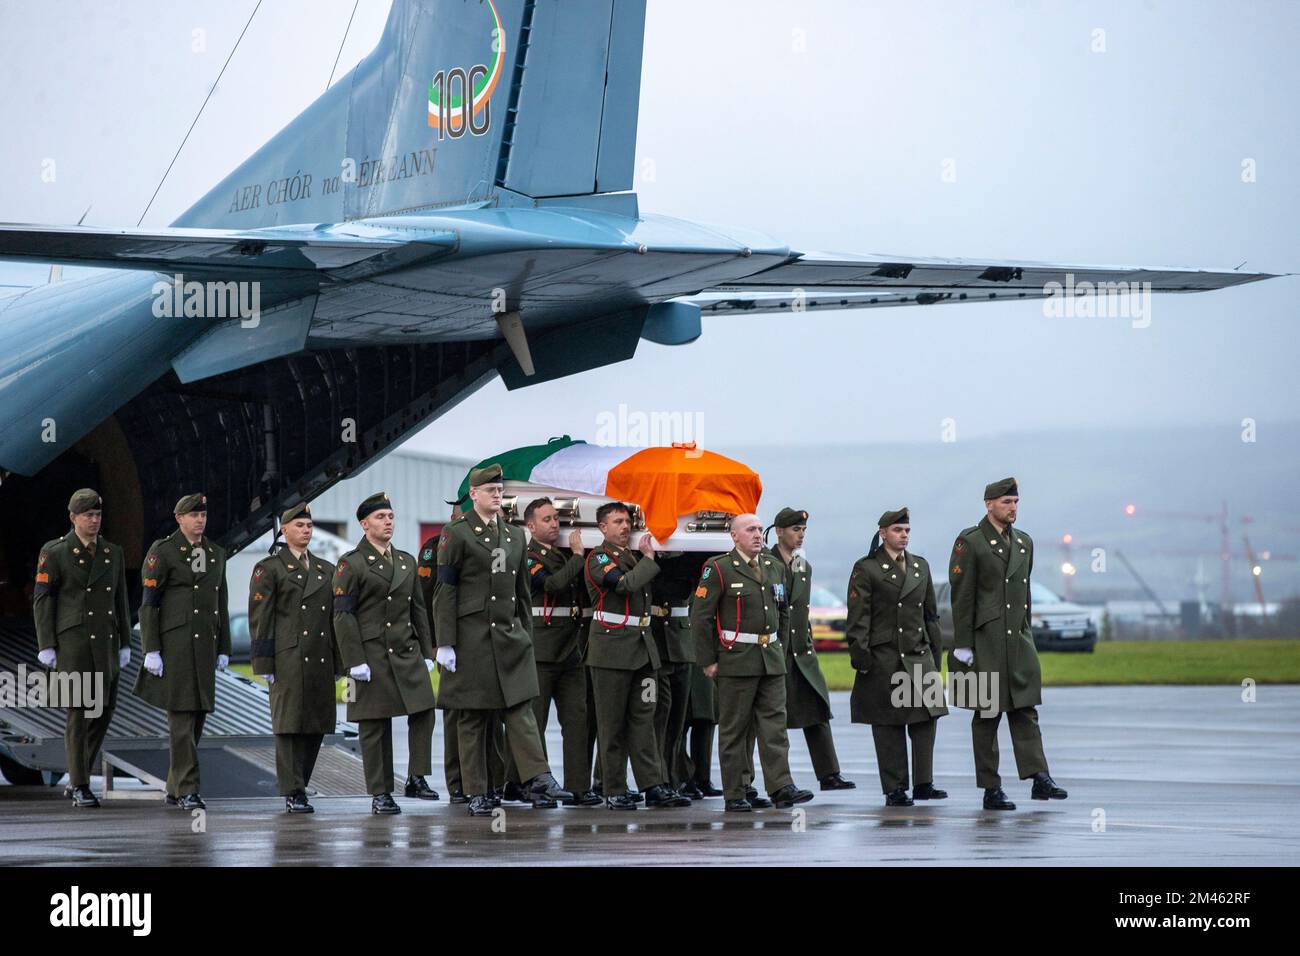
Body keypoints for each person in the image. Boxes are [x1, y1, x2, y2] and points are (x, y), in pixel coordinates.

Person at [432, 465, 572, 817]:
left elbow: (522, 592)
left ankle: (538, 775)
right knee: (474, 719)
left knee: (519, 708)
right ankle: (477, 791)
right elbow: (445, 590)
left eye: (499, 490)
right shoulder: (456, 534)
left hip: (510, 638)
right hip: (472, 638)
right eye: (490, 490)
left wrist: (525, 632)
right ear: (474, 495)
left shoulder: (512, 536)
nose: (497, 494)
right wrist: (444, 642)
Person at [948, 478, 1068, 810]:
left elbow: (1023, 597)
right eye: (1005, 502)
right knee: (987, 714)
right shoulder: (970, 542)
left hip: (1018, 640)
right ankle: (991, 788)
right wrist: (963, 643)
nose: (1012, 508)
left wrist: (1026, 633)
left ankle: (1039, 777)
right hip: (985, 641)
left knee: (1025, 709)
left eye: (1015, 502)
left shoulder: (1025, 543)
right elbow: (962, 596)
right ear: (989, 504)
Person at [691, 513, 813, 812]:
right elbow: (701, 617)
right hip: (735, 660)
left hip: (769, 659)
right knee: (735, 730)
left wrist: (780, 649)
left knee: (774, 728)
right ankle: (736, 791)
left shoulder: (773, 567)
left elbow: (782, 612)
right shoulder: (718, 568)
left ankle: (781, 786)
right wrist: (708, 660)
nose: (758, 534)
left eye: (760, 529)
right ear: (734, 536)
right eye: (750, 530)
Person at [332, 492, 437, 814]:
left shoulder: (405, 560)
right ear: (364, 525)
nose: (388, 522)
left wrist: (428, 647)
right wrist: (354, 661)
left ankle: (416, 776)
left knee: (424, 710)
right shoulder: (351, 563)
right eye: (380, 517)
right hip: (371, 654)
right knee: (374, 725)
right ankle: (380, 792)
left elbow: (418, 607)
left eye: (390, 516)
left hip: (405, 650)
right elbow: (342, 614)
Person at [583, 501, 690, 810]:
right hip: (611, 653)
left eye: (627, 520)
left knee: (644, 720)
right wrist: (649, 558)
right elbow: (625, 585)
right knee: (612, 724)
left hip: (643, 651)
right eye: (617, 521)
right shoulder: (598, 558)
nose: (625, 526)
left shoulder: (633, 556)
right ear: (603, 527)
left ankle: (652, 784)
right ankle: (613, 788)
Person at [32, 488, 131, 809]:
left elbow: (121, 601)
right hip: (73, 643)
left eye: (98, 515)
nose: (94, 520)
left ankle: (79, 775)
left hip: (105, 642)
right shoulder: (56, 552)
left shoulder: (112, 552)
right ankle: (80, 783)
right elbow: (43, 599)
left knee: (104, 710)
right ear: (73, 517)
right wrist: (46, 643)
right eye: (88, 515)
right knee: (78, 713)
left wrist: (126, 641)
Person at [133, 493, 230, 810]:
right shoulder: (163, 552)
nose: (200, 519)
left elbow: (221, 605)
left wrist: (223, 647)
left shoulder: (215, 553)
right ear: (179, 519)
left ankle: (175, 788)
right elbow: (149, 604)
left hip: (204, 649)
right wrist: (151, 649)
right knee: (182, 722)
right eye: (193, 515)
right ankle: (189, 790)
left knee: (198, 718)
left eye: (203, 514)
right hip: (175, 648)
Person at [845, 508, 948, 805]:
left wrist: (934, 654)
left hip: (919, 655)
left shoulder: (920, 566)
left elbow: (930, 615)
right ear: (883, 533)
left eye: (906, 531)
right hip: (885, 657)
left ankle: (923, 783)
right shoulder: (867, 568)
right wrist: (862, 658)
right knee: (888, 724)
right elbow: (858, 617)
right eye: (897, 531)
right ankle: (895, 788)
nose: (903, 536)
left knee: (926, 719)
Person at [248, 503, 343, 813]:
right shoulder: (269, 568)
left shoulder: (325, 569)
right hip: (287, 655)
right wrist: (264, 662)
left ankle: (299, 782)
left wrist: (339, 661)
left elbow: (334, 620)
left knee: (315, 723)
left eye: (308, 525)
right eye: (299, 525)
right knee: (289, 724)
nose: (305, 530)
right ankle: (293, 791)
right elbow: (260, 617)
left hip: (319, 656)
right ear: (284, 530)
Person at [512, 497, 600, 804]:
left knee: (577, 719)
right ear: (531, 526)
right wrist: (578, 556)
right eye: (547, 519)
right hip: (541, 649)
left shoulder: (562, 554)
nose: (554, 524)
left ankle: (579, 786)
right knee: (533, 722)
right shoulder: (527, 555)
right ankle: (533, 785)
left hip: (571, 649)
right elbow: (551, 585)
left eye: (556, 519)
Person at [766, 507, 854, 791]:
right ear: (779, 531)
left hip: (802, 652)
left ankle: (829, 774)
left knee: (817, 710)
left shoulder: (803, 566)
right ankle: (774, 782)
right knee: (772, 720)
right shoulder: (765, 564)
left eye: (803, 530)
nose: (800, 535)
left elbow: (801, 611)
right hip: (777, 651)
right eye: (795, 530)